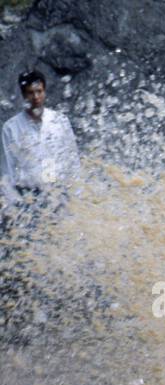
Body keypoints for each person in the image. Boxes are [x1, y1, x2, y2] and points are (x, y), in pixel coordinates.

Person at [1, 69, 80, 336]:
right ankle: (27, 322)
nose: (36, 97)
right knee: (27, 261)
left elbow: (72, 161)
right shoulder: (11, 128)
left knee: (58, 256)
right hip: (27, 199)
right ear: (22, 95)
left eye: (39, 91)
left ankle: (61, 318)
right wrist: (14, 209)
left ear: (45, 92)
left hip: (56, 197)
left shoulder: (60, 122)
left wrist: (72, 198)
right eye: (30, 93)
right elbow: (6, 173)